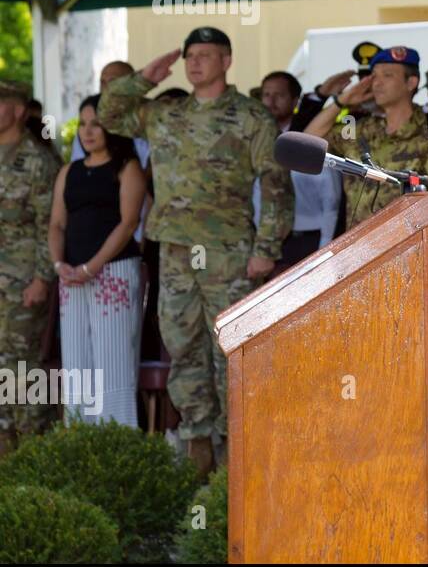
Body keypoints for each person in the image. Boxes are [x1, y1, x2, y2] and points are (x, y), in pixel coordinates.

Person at [99, 27, 294, 478]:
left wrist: (266, 248)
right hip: (176, 252)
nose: (195, 63)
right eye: (190, 56)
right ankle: (197, 448)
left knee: (231, 349)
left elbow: (277, 185)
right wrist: (142, 78)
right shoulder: (165, 112)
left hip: (229, 251)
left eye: (206, 55)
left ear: (227, 61)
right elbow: (109, 113)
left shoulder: (251, 117)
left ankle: (236, 455)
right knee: (183, 347)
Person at [305, 46, 428, 288]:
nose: (377, 83)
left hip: (408, 267)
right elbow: (308, 143)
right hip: (355, 265)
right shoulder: (361, 131)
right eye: (373, 76)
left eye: (388, 75)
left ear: (411, 82)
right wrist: (340, 102)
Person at [48, 96, 146, 426]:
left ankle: (118, 442)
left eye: (96, 123)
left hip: (113, 270)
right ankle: (79, 441)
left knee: (113, 360)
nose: (88, 131)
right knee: (76, 362)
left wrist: (94, 266)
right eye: (83, 123)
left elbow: (129, 222)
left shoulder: (127, 167)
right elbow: (57, 223)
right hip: (71, 275)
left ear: (112, 127)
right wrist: (59, 264)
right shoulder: (69, 171)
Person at [0, 79, 60, 453]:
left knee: (21, 365)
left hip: (21, 282)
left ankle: (31, 448)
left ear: (19, 110)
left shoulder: (38, 161)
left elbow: (48, 227)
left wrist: (42, 277)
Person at [256, 71, 343, 271]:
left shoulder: (304, 139)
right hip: (267, 240)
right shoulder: (255, 139)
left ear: (295, 101)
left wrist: (325, 248)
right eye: (266, 95)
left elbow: (331, 200)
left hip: (309, 241)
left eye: (279, 95)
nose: (271, 101)